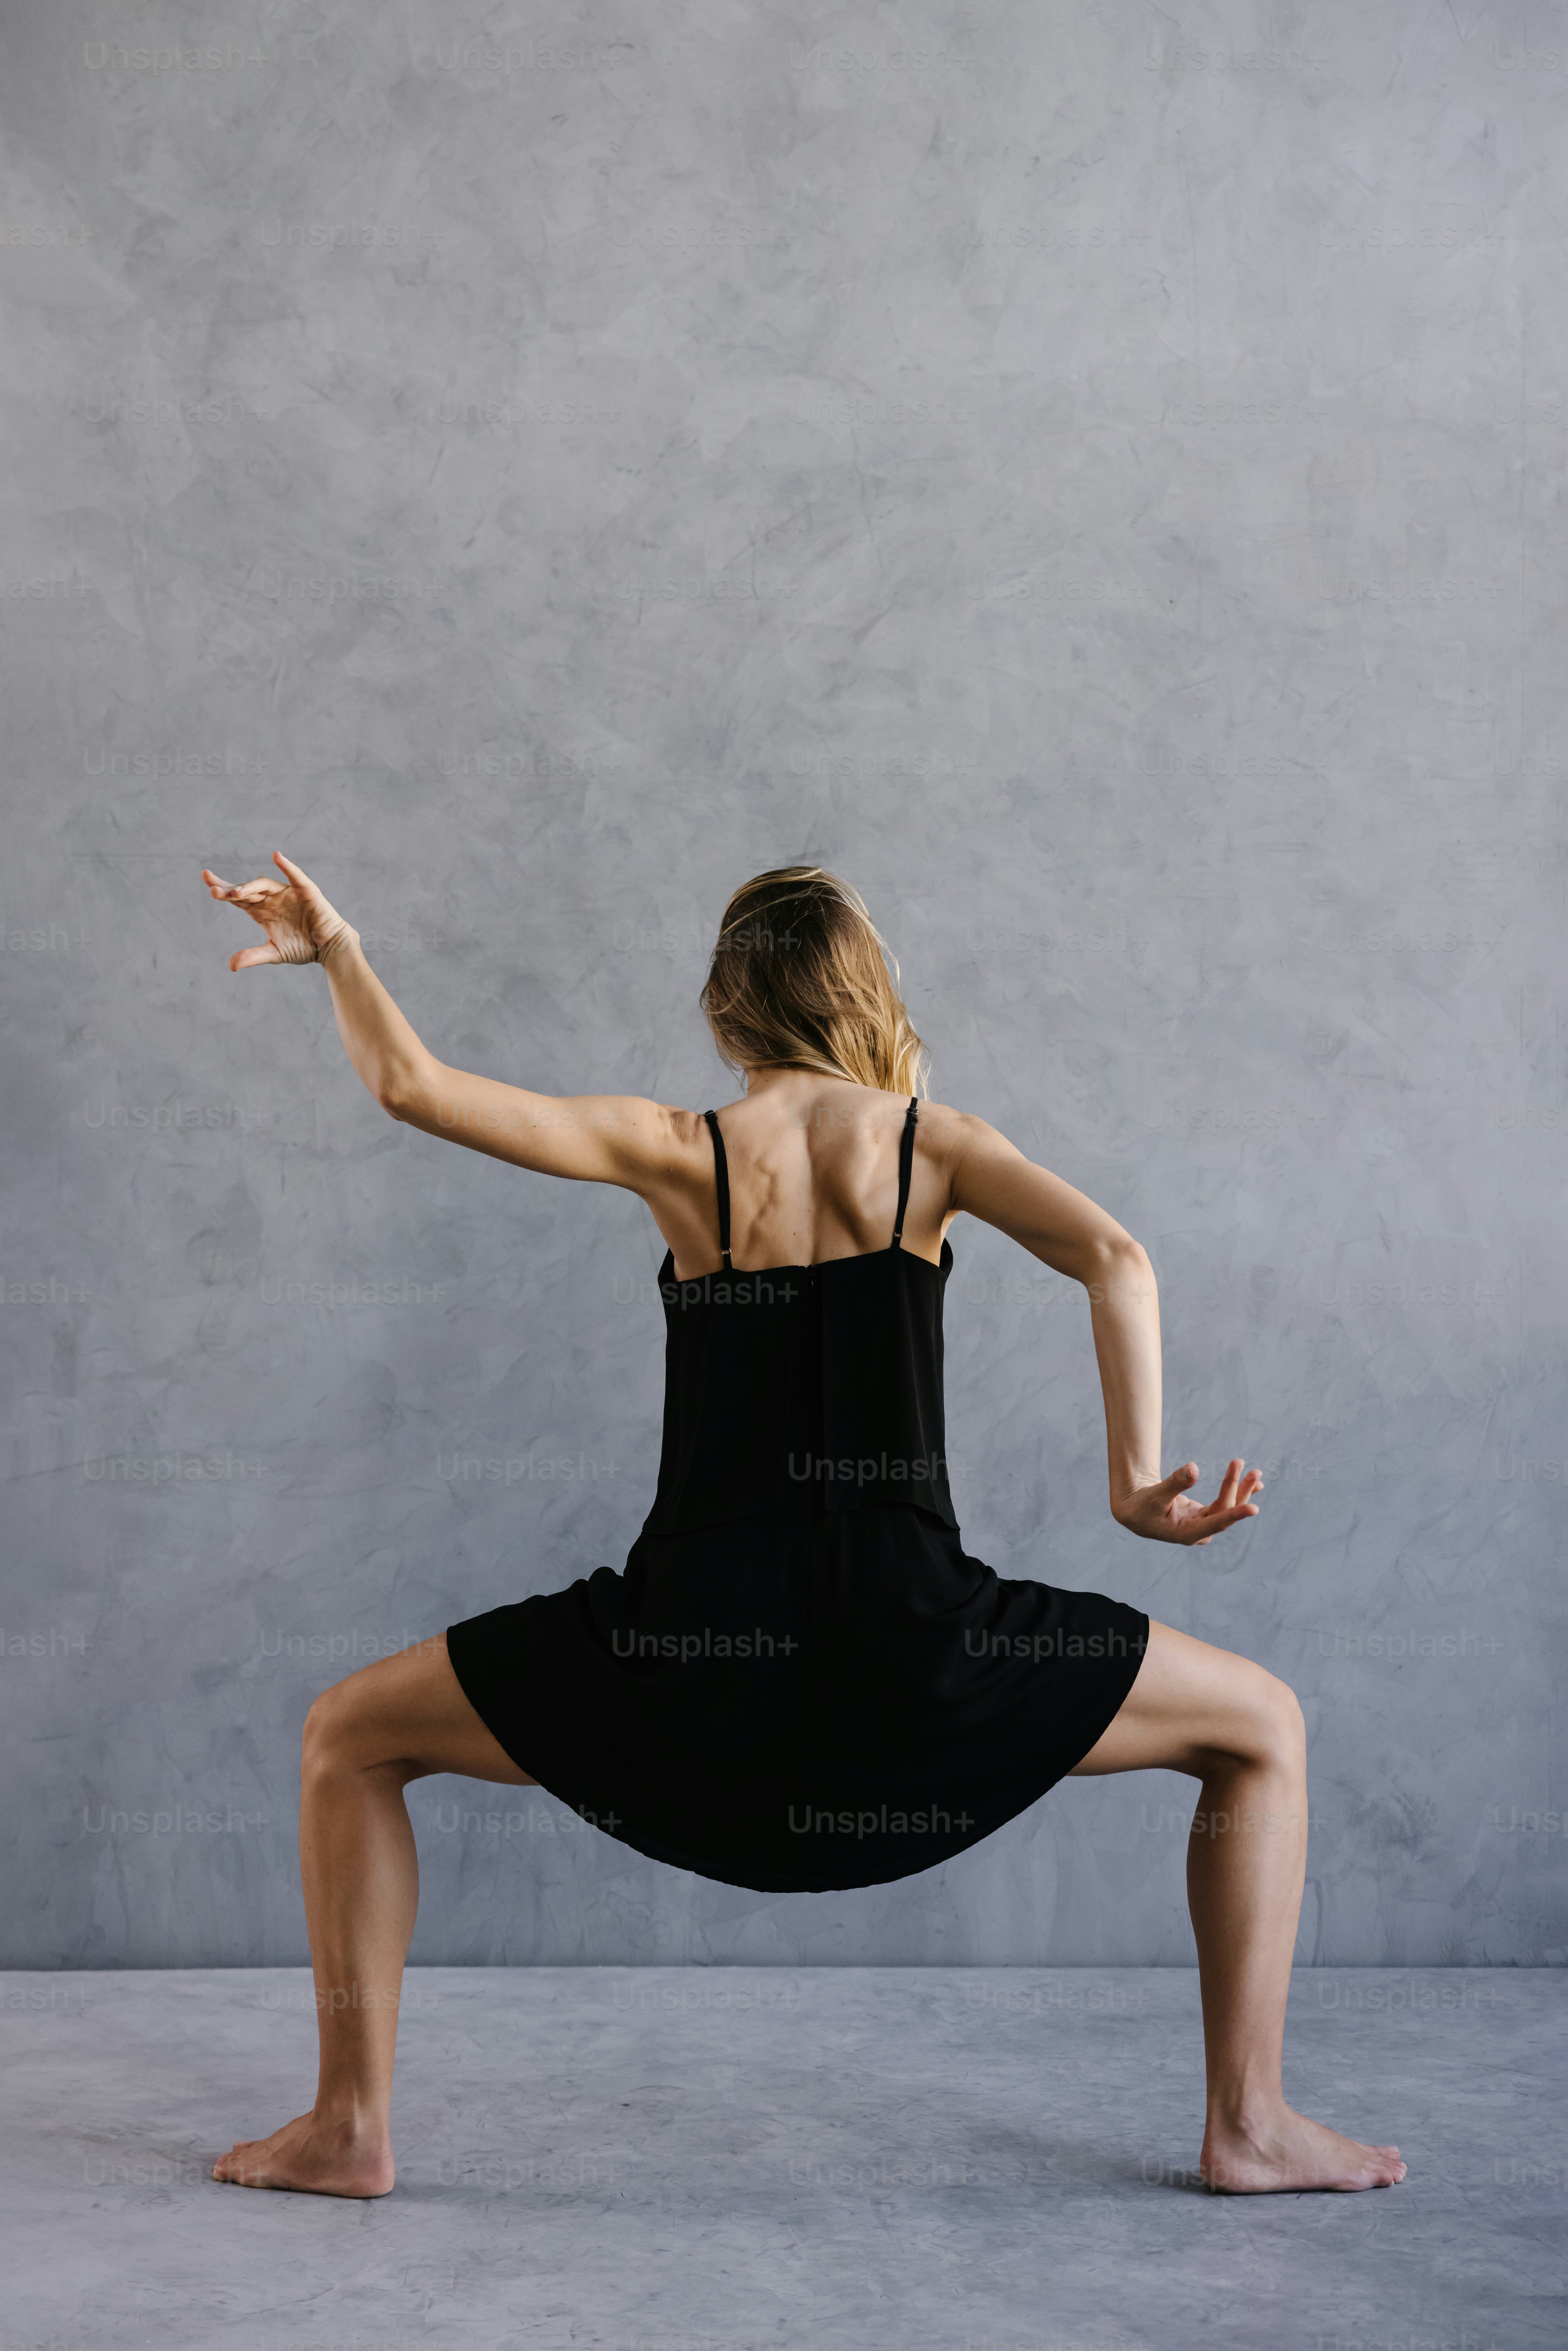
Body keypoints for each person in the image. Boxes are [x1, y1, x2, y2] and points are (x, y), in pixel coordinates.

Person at [200, 854, 1404, 2200]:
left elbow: (413, 1087)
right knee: (1263, 1730)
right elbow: (1116, 1258)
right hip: (916, 1668)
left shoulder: (677, 1149)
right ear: (864, 994)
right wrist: (1131, 1488)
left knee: (343, 1741)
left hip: (686, 1682)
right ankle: (1248, 2124)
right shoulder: (933, 1147)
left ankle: (349, 2128)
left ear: (730, 1007)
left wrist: (340, 946)